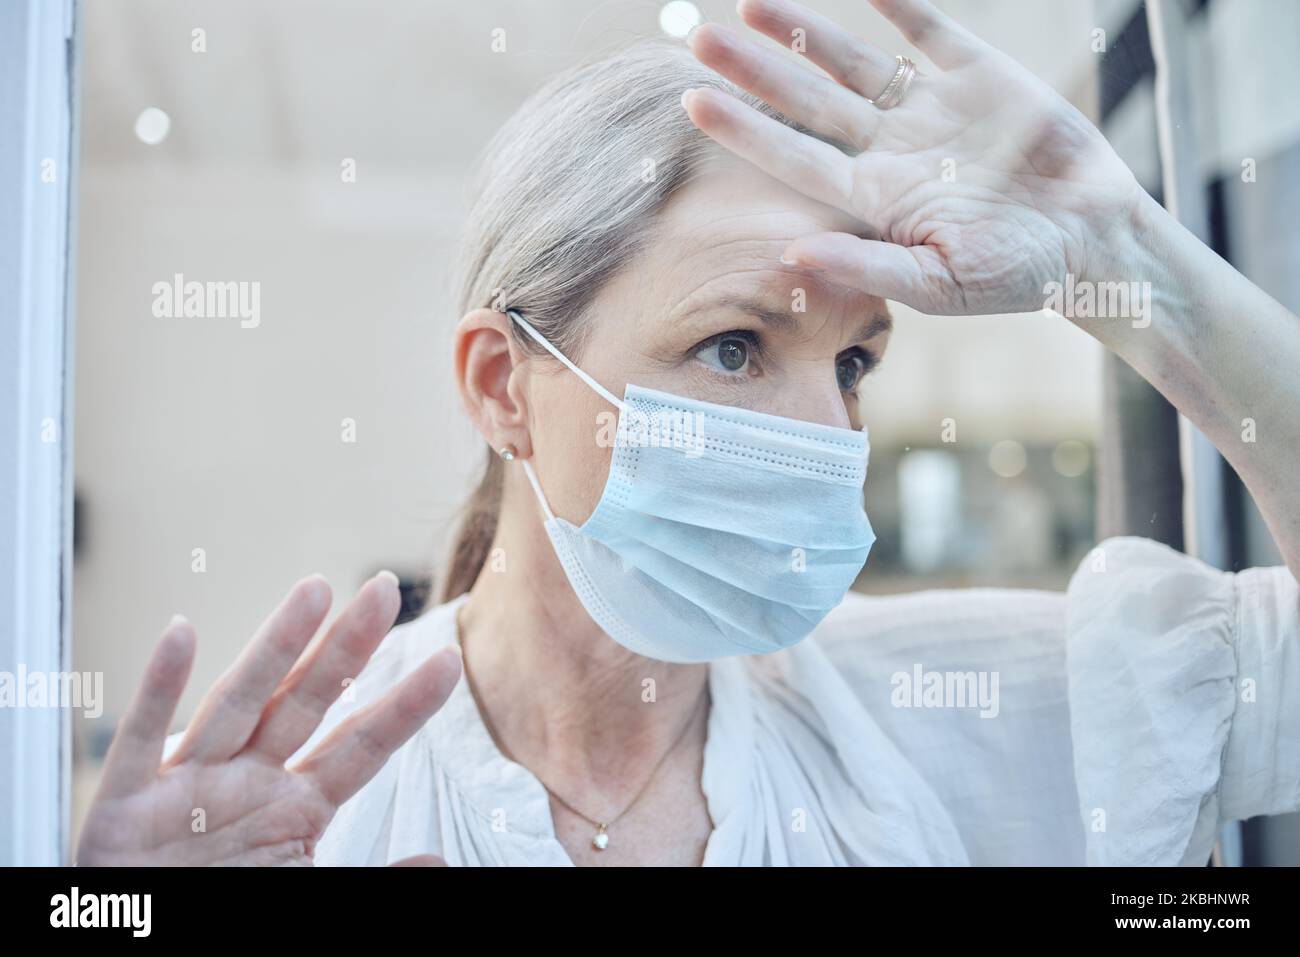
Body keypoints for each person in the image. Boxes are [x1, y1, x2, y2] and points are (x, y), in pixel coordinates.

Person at [76, 0, 1300, 867]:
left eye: (856, 360)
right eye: (734, 346)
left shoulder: (951, 716)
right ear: (506, 385)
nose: (828, 432)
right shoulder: (286, 810)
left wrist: (1135, 265)